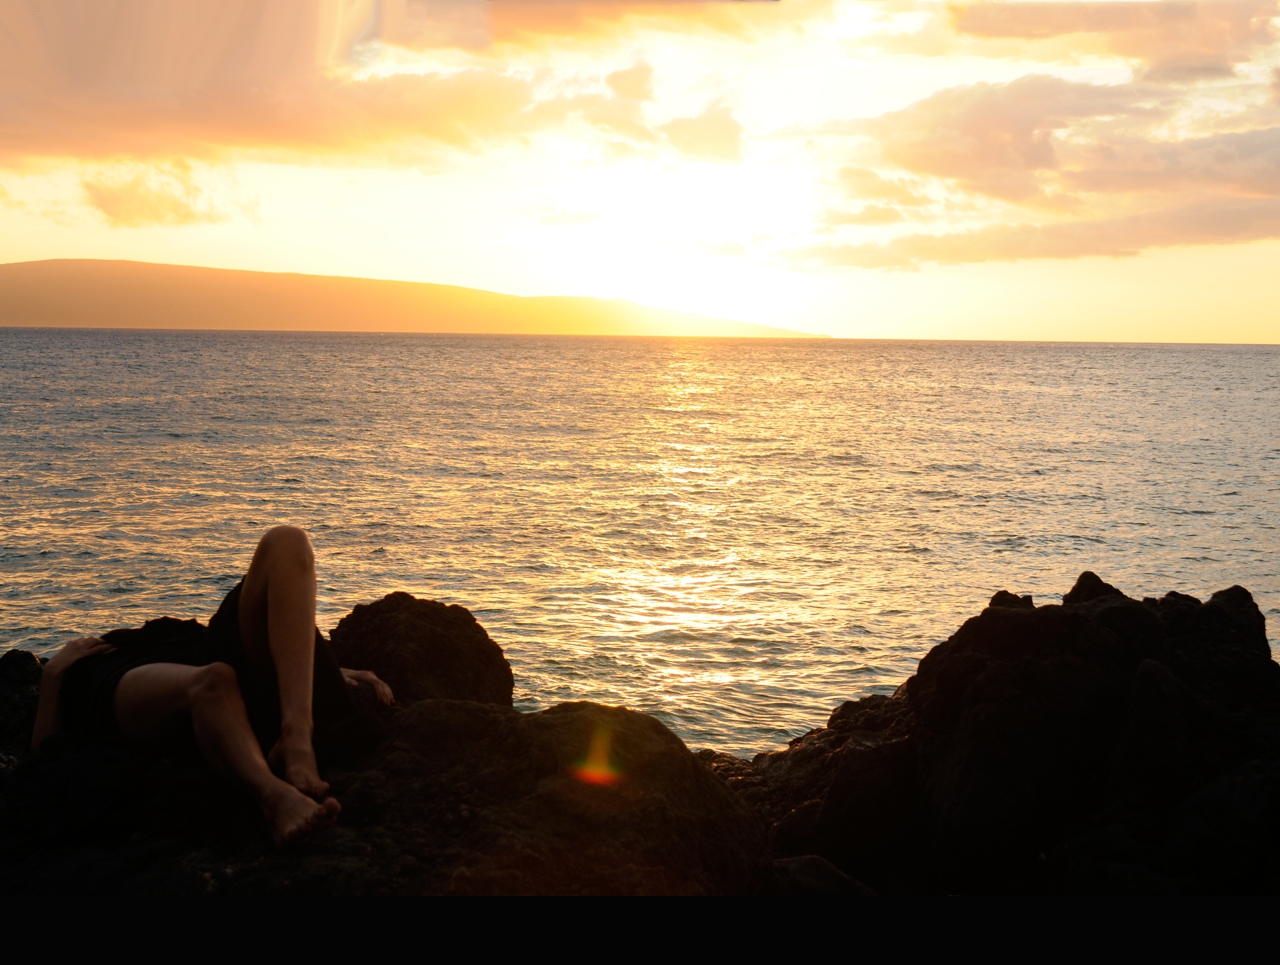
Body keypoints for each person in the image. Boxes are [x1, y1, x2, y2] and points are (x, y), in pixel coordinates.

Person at [30, 526, 394, 846]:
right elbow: (40, 758)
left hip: (191, 650)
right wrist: (53, 675)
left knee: (287, 540)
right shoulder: (73, 671)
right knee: (214, 680)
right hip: (107, 682)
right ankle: (275, 798)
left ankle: (296, 739)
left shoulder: (161, 635)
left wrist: (327, 668)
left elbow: (270, 632)